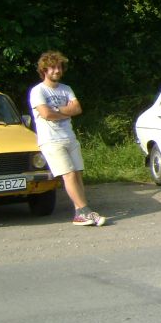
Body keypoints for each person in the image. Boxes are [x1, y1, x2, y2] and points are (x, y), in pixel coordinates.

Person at [29, 50, 106, 226]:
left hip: (69, 137)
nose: (57, 70)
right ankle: (87, 211)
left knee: (77, 175)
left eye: (59, 67)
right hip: (51, 140)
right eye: (52, 68)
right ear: (44, 70)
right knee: (69, 175)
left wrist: (56, 110)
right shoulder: (38, 91)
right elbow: (46, 114)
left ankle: (79, 213)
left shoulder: (66, 89)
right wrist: (64, 110)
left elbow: (77, 109)